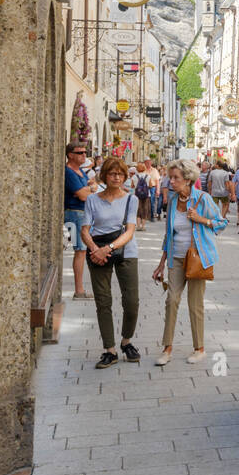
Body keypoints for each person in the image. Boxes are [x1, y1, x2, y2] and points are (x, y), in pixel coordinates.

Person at [153, 158, 228, 366]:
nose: (171, 182)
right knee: (171, 300)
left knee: (195, 304)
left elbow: (222, 224)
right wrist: (161, 264)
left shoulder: (202, 199)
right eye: (170, 177)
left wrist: (201, 220)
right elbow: (169, 234)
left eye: (175, 178)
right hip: (176, 257)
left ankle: (199, 349)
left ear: (187, 179)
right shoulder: (174, 201)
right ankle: (167, 348)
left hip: (197, 258)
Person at [81, 157, 140, 368]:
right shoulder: (92, 200)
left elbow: (130, 231)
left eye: (120, 174)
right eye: (112, 173)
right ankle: (110, 350)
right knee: (103, 302)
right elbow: (85, 229)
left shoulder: (131, 200)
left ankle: (126, 341)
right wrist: (95, 249)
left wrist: (109, 248)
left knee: (131, 301)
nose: (116, 177)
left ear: (125, 176)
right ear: (104, 176)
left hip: (125, 252)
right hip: (98, 252)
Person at [64, 142, 92, 300]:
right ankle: (79, 290)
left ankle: (80, 289)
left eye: (85, 152)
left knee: (82, 251)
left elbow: (88, 188)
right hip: (74, 212)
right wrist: (88, 190)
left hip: (82, 212)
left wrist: (87, 190)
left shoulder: (80, 170)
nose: (84, 155)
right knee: (80, 251)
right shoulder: (69, 171)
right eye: (80, 152)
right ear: (70, 155)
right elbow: (83, 194)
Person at [134, 159, 152, 231]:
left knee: (138, 209)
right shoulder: (148, 176)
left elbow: (132, 186)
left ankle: (138, 225)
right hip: (146, 195)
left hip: (137, 195)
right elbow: (150, 185)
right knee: (145, 209)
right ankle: (143, 226)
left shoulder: (134, 177)